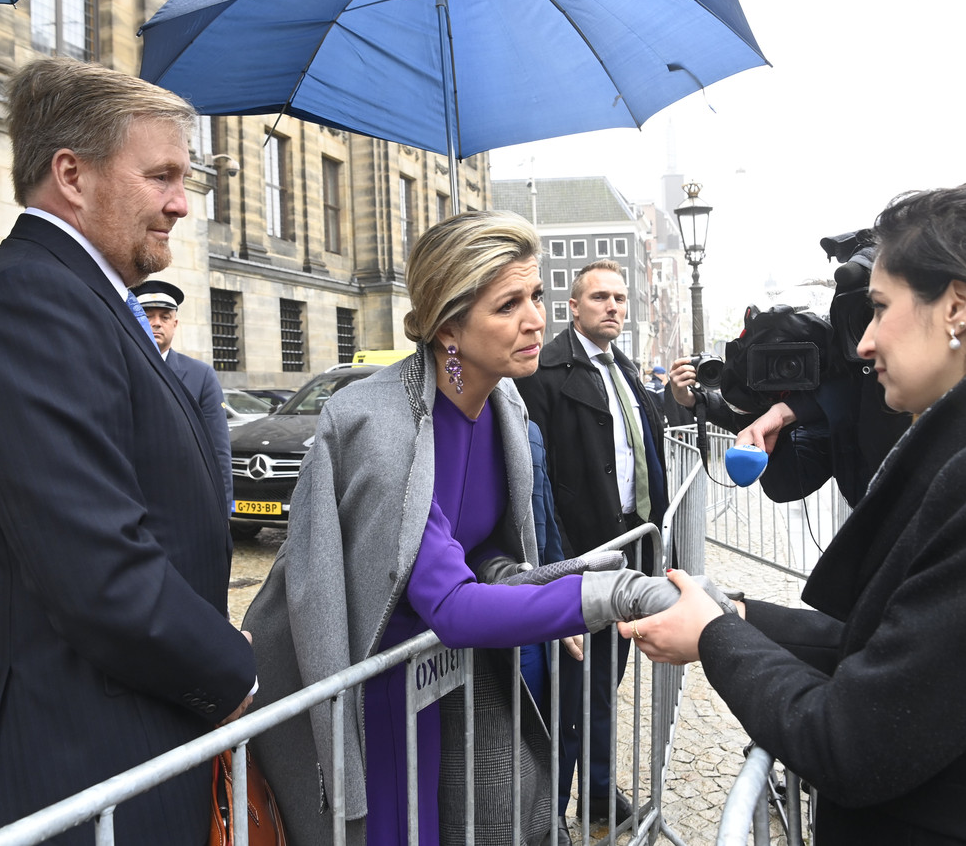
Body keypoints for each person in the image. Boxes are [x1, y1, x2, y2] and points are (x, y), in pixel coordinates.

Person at [629, 181, 966, 845]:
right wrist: (741, 617)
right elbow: (913, 658)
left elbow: (851, 743)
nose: (862, 344)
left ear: (957, 308)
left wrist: (715, 637)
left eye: (880, 309)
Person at [243, 211, 700, 846]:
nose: (536, 319)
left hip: (436, 674)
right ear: (448, 328)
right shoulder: (382, 428)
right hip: (369, 683)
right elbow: (452, 605)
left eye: (535, 295)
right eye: (508, 305)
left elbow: (476, 545)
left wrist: (536, 582)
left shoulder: (504, 403)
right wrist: (616, 594)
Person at [0, 57, 257, 846]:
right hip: (71, 755)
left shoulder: (80, 294)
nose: (181, 203)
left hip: (122, 737)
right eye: (161, 176)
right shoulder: (28, 300)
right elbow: (99, 568)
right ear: (72, 175)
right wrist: (232, 673)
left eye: (185, 178)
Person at [515, 260, 670, 829]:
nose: (613, 306)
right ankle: (549, 815)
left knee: (605, 685)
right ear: (573, 307)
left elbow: (641, 450)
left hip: (632, 548)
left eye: (620, 298)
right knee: (569, 694)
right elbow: (537, 481)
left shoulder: (623, 367)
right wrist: (559, 570)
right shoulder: (544, 371)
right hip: (579, 557)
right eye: (601, 296)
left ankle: (599, 794)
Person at [131, 279, 234, 512]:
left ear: (175, 324)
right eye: (148, 315)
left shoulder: (201, 375)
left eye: (164, 317)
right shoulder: (119, 367)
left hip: (184, 502)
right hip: (132, 502)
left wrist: (223, 510)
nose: (157, 323)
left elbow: (218, 449)